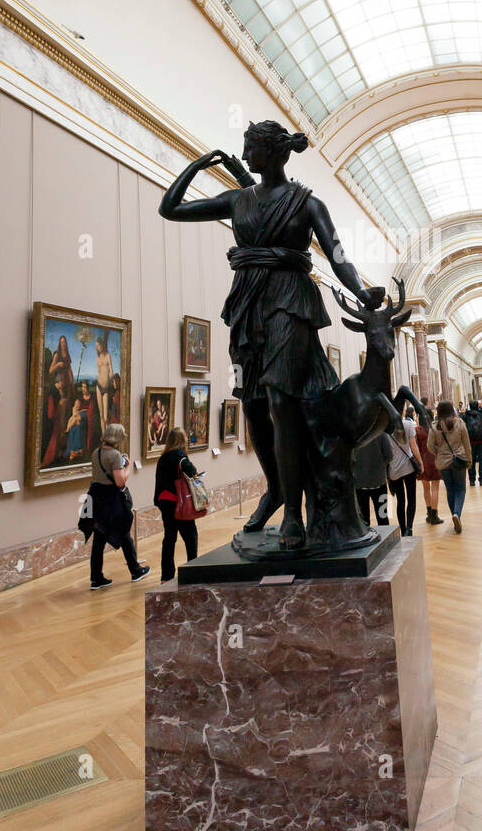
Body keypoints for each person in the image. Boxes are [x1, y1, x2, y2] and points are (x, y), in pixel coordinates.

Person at [160, 121, 385, 549]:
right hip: (248, 307)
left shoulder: (306, 203)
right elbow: (170, 209)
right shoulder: (238, 199)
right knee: (252, 403)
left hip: (289, 303)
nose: (244, 157)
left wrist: (360, 289)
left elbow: (335, 253)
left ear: (272, 153)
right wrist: (197, 165)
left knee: (281, 401)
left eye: (251, 149)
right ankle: (277, 489)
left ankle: (295, 517)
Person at [87, 424, 150, 589]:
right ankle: (136, 570)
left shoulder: (96, 452)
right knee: (124, 534)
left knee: (99, 539)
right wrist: (127, 466)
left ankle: (96, 578)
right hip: (112, 500)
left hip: (97, 499)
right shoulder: (114, 455)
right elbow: (120, 481)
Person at [154, 426, 200, 582]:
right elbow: (191, 471)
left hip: (164, 501)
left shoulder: (163, 457)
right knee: (190, 536)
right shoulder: (180, 455)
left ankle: (166, 576)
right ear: (183, 440)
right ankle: (192, 570)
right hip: (179, 502)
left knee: (169, 538)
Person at [428, 400, 471, 534]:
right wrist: (469, 460)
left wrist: (439, 453)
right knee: (461, 490)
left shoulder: (434, 427)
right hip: (458, 460)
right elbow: (466, 443)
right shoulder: (459, 424)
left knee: (450, 490)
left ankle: (454, 514)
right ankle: (456, 514)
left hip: (443, 462)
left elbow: (430, 446)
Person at [387, 413, 421, 536]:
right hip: (408, 468)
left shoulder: (386, 428)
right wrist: (420, 463)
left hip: (394, 470)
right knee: (411, 499)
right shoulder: (408, 424)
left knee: (400, 501)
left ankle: (402, 529)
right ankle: (409, 528)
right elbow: (414, 447)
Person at [353, 431, 392, 532]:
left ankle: (366, 544)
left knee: (363, 519)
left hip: (359, 483)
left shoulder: (354, 433)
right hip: (380, 482)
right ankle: (386, 544)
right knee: (383, 516)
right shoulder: (382, 433)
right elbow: (389, 455)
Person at [414, 410, 443, 523]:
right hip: (434, 460)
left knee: (426, 488)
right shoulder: (435, 429)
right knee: (435, 488)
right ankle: (434, 515)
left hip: (422, 461)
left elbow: (415, 447)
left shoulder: (417, 430)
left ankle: (429, 512)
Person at [462, 399, 482, 485]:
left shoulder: (465, 416)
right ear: (477, 406)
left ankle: (472, 480)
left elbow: (462, 429)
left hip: (470, 442)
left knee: (471, 460)